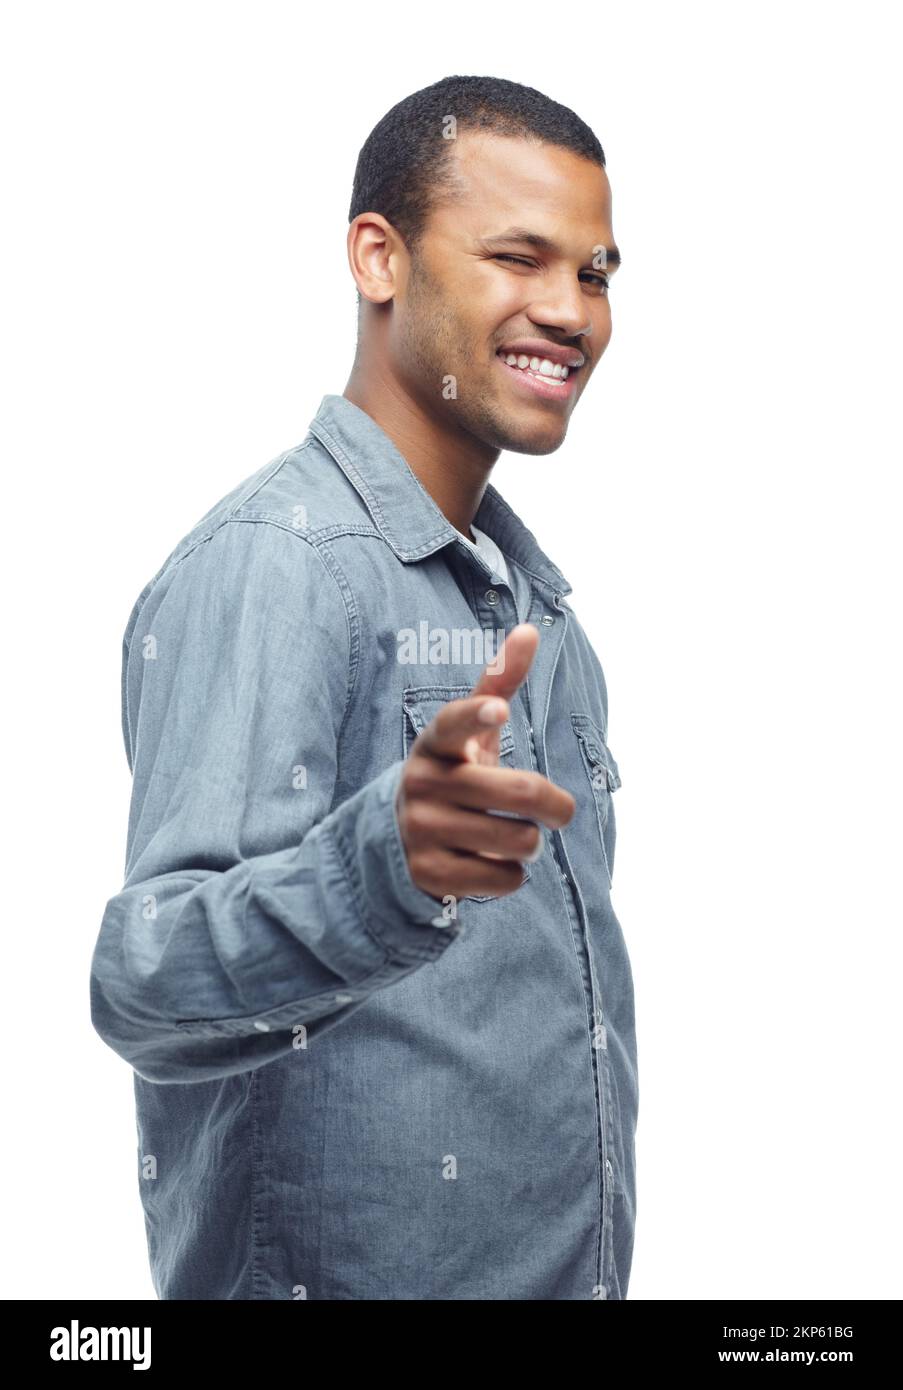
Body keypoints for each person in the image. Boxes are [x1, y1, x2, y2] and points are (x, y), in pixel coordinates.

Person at [90, 73, 638, 1301]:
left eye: (596, 273)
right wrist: (377, 866)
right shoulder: (276, 567)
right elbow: (143, 982)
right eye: (517, 257)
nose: (569, 311)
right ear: (379, 259)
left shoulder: (540, 613)